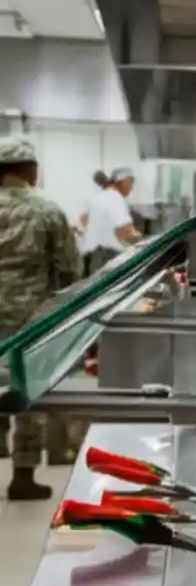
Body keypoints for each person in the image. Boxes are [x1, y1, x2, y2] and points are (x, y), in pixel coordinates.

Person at [0, 137, 81, 499]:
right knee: (24, 387)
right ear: (28, 170)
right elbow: (68, 271)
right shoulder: (46, 210)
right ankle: (23, 474)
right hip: (28, 317)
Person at [82, 166, 140, 272]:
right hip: (106, 256)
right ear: (124, 182)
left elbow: (83, 220)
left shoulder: (100, 197)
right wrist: (143, 241)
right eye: (131, 183)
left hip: (91, 255)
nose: (132, 188)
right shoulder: (115, 198)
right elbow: (125, 232)